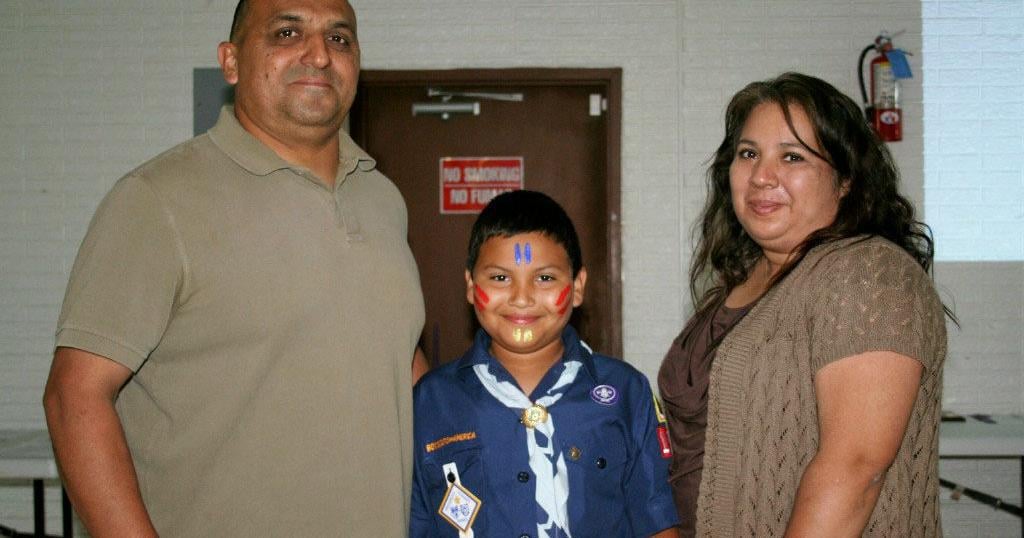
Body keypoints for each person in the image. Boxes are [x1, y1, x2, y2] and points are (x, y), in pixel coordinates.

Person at [41, 0, 424, 536]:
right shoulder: (155, 200)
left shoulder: (383, 199)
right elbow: (73, 397)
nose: (318, 54)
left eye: (340, 39)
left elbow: (396, 358)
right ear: (231, 61)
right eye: (288, 32)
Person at [657, 72, 949, 537]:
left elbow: (855, 469)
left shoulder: (869, 274)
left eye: (792, 156)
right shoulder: (742, 281)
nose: (761, 176)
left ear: (846, 179)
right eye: (748, 153)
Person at [410, 190, 680, 537]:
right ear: (470, 285)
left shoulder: (627, 393)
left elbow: (657, 523)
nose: (522, 298)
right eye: (500, 278)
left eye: (545, 278)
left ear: (578, 286)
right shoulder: (431, 402)